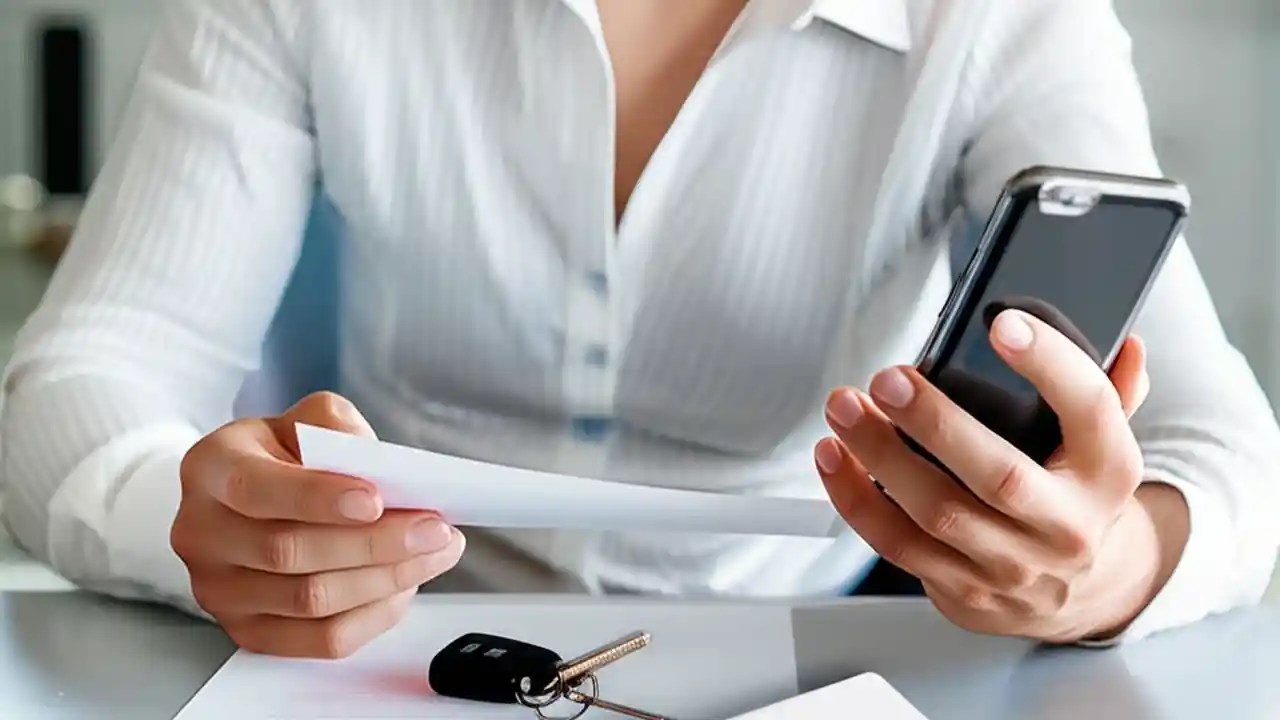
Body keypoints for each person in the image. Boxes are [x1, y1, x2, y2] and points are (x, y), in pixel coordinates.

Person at [1, 0, 1277, 659]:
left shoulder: (999, 17)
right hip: (387, 641)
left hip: (821, 641)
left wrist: (1106, 570)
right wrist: (184, 520)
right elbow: (83, 373)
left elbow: (1229, 457)